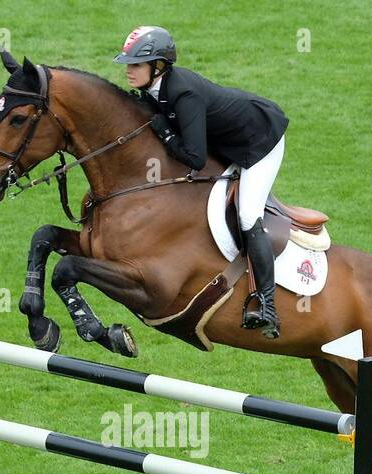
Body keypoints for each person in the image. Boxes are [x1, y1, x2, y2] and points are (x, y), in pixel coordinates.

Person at [115, 26, 289, 338]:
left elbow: (194, 158)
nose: (129, 71)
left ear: (158, 67)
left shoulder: (184, 93)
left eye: (136, 65)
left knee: (249, 215)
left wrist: (164, 132)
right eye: (128, 64)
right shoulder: (156, 87)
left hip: (261, 141)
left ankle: (267, 305)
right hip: (228, 141)